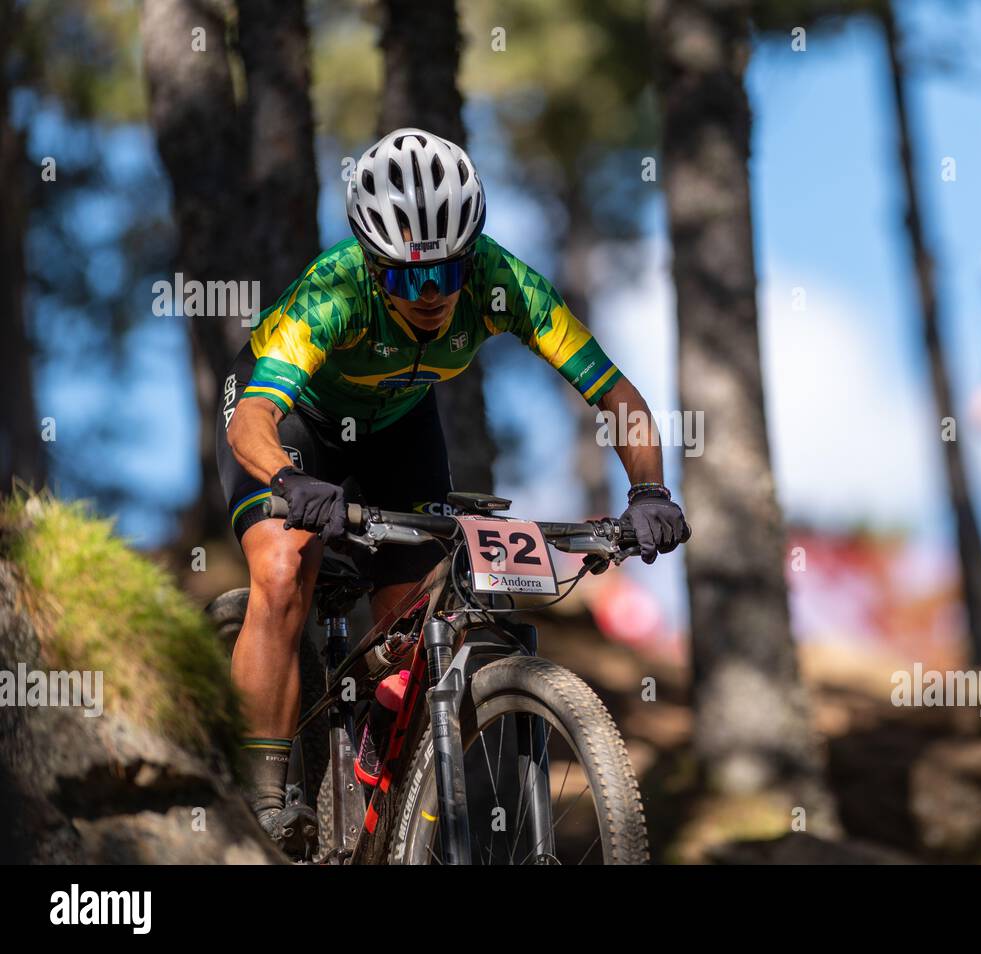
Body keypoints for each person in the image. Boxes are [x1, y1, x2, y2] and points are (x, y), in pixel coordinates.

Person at [216, 128, 689, 855]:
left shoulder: (506, 283)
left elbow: (614, 392)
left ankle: (380, 772)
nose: (433, 295)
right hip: (293, 421)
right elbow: (253, 417)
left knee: (412, 609)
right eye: (409, 279)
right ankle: (263, 798)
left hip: (400, 424)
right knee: (284, 569)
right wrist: (288, 480)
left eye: (448, 272)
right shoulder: (334, 289)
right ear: (375, 269)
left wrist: (649, 489)